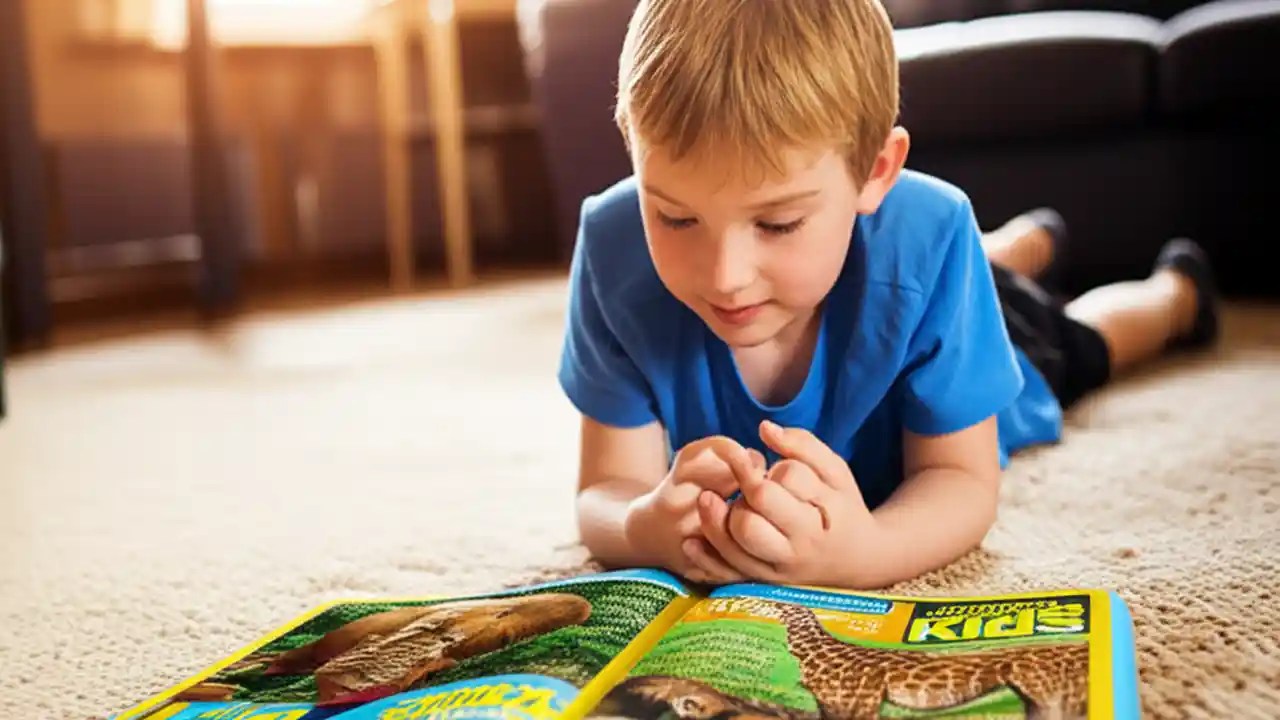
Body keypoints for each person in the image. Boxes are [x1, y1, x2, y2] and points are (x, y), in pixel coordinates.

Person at [556, 0, 1220, 590]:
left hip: (943, 297)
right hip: (910, 268)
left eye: (778, 223)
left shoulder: (929, 238)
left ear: (876, 173)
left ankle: (1173, 296)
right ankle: (1016, 246)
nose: (724, 276)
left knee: (1073, 342)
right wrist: (642, 526)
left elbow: (961, 483)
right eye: (674, 217)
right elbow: (605, 491)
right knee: (967, 263)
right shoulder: (613, 245)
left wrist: (867, 552)